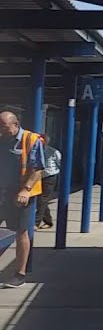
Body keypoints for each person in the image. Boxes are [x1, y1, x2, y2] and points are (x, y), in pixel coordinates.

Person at [0, 111, 44, 288]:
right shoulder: (2, 139)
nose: (2, 130)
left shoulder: (31, 139)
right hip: (2, 190)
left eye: (5, 126)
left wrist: (26, 190)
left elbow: (37, 169)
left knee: (21, 231)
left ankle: (20, 274)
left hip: (21, 192)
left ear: (15, 124)